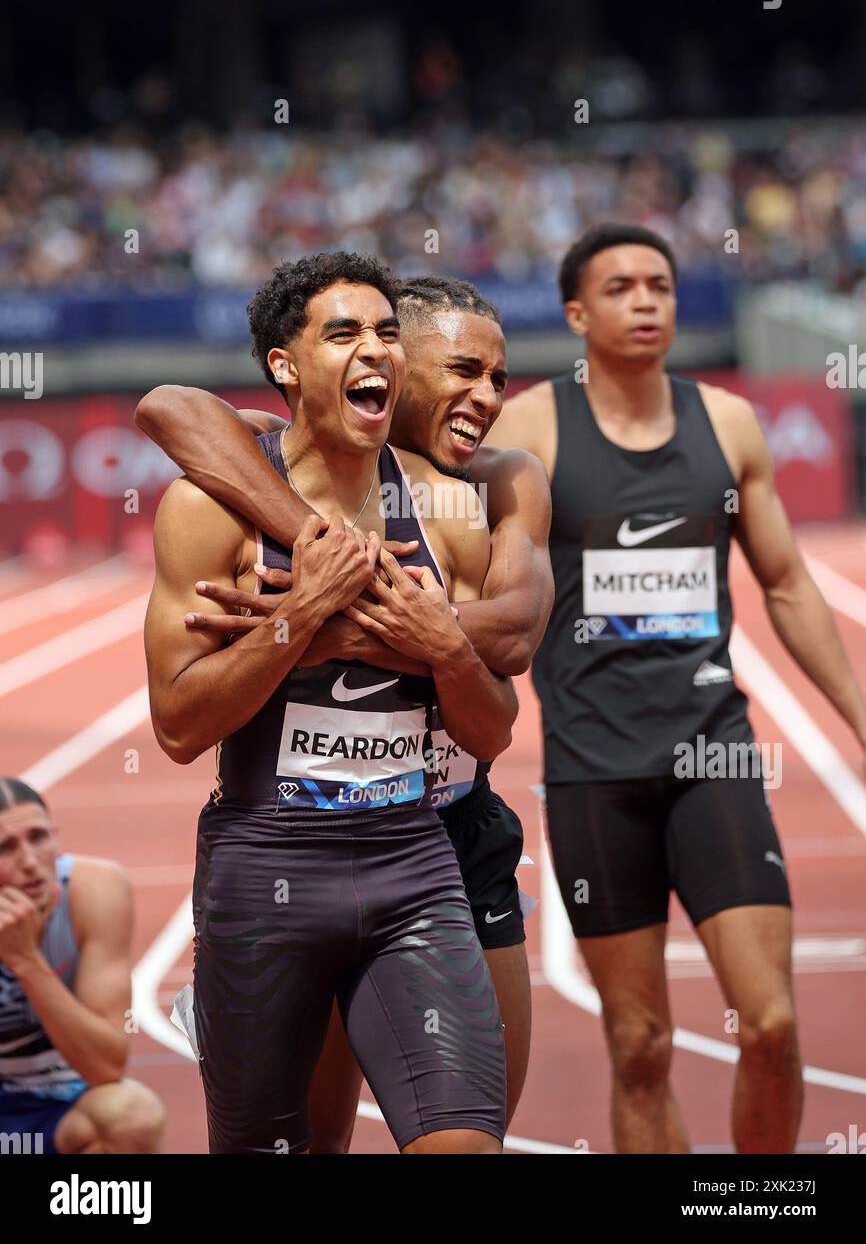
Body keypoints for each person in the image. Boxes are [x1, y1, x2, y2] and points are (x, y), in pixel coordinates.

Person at [136, 274, 553, 1148]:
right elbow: (170, 407)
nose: (483, 399)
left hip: (430, 847)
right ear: (289, 367)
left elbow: (508, 655)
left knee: (471, 1132)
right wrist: (301, 606)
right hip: (271, 864)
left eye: (384, 333)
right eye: (465, 371)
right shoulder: (233, 482)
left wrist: (414, 636)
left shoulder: (475, 495)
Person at [484, 221, 866, 1154]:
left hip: (713, 755)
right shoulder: (531, 427)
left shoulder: (727, 422)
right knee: (640, 1044)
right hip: (591, 774)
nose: (646, 300)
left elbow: (782, 583)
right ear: (576, 313)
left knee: (770, 1024)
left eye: (659, 283)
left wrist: (860, 719)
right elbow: (476, 574)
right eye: (620, 287)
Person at [0, 777, 165, 1155]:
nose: (29, 862)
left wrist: (24, 959)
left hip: (59, 1110)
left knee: (131, 1115)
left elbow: (106, 1067)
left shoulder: (93, 889)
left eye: (38, 838)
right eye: (5, 848)